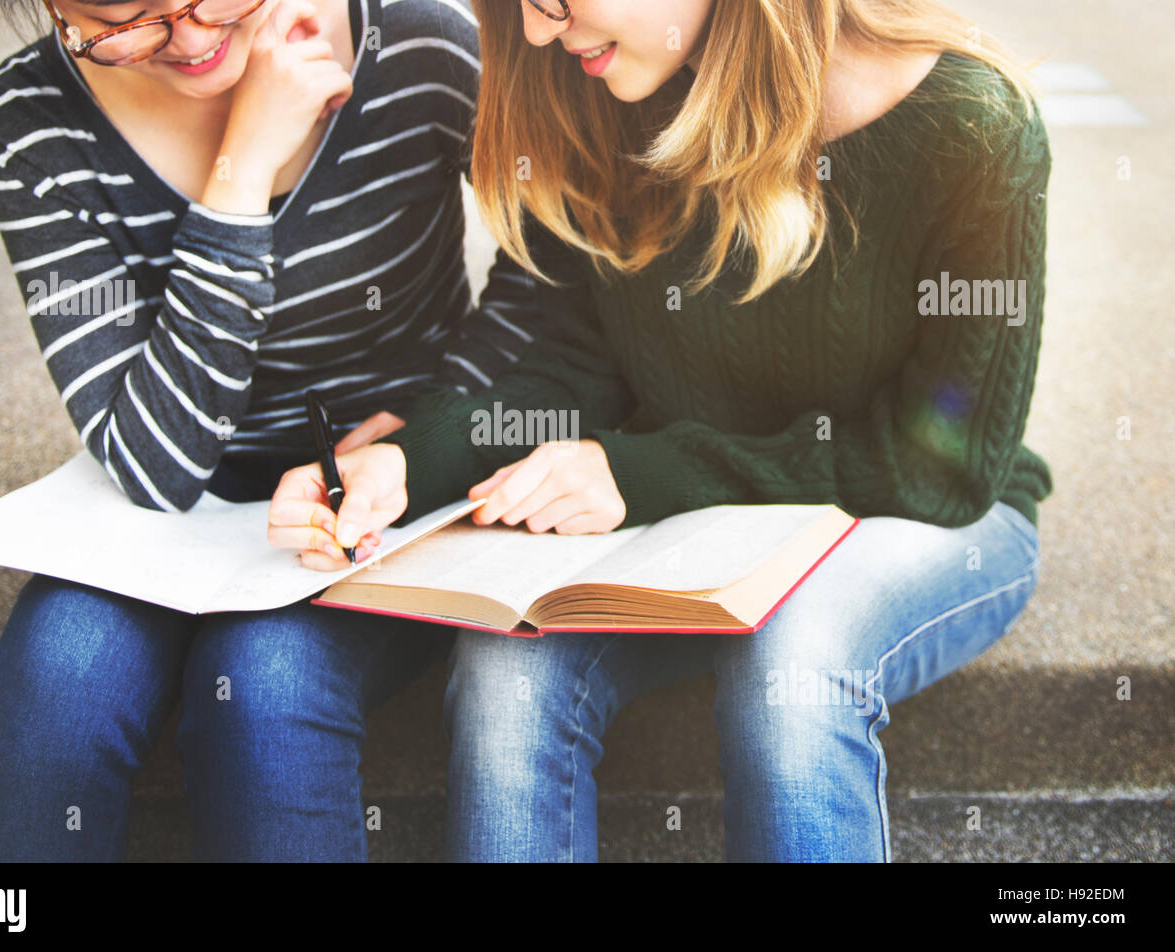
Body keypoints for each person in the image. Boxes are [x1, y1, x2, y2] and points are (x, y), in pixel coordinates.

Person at [271, 0, 1053, 861]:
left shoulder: (972, 125)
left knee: (791, 674)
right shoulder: (596, 85)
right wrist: (409, 462)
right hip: (686, 518)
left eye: (554, 0)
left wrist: (645, 474)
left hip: (916, 514)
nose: (535, 33)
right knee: (506, 669)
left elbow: (943, 464)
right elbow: (571, 359)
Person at [0, 0, 547, 861]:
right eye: (125, 24)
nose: (187, 40)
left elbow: (556, 270)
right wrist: (240, 176)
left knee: (267, 678)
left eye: (208, 1)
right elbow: (155, 466)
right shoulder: (30, 119)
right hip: (167, 518)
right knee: (57, 678)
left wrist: (439, 422)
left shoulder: (421, 46)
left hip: (380, 513)